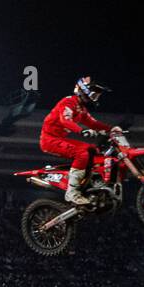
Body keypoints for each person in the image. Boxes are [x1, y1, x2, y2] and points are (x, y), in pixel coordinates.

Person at [39, 75, 118, 206]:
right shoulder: (69, 101)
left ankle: (89, 184)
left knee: (93, 149)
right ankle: (72, 192)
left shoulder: (81, 109)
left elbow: (94, 123)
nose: (97, 96)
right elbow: (65, 120)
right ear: (85, 90)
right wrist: (81, 130)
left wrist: (111, 129)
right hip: (49, 140)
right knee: (81, 153)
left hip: (57, 138)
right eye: (95, 93)